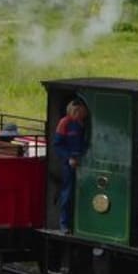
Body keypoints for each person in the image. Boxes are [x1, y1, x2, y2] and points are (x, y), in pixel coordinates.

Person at [52, 99, 88, 234]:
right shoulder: (65, 123)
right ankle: (64, 223)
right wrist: (69, 158)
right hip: (69, 162)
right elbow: (57, 145)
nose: (79, 114)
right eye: (77, 111)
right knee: (67, 192)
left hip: (83, 160)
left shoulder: (83, 124)